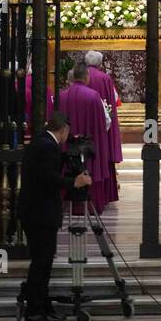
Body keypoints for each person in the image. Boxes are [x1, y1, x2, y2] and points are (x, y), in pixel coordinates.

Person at [18, 110, 91, 321]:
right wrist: (73, 182)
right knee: (41, 263)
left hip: (34, 212)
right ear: (64, 129)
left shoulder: (40, 142)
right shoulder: (48, 146)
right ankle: (34, 310)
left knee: (42, 262)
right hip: (40, 213)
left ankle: (42, 305)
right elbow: (47, 178)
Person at [60, 62, 115, 213]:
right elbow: (102, 124)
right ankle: (92, 204)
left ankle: (67, 204)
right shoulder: (93, 96)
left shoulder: (62, 96)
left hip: (68, 147)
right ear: (87, 76)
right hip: (88, 147)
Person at [83, 50, 122, 203]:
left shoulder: (81, 75)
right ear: (100, 63)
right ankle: (104, 193)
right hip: (102, 125)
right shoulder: (105, 78)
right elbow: (111, 103)